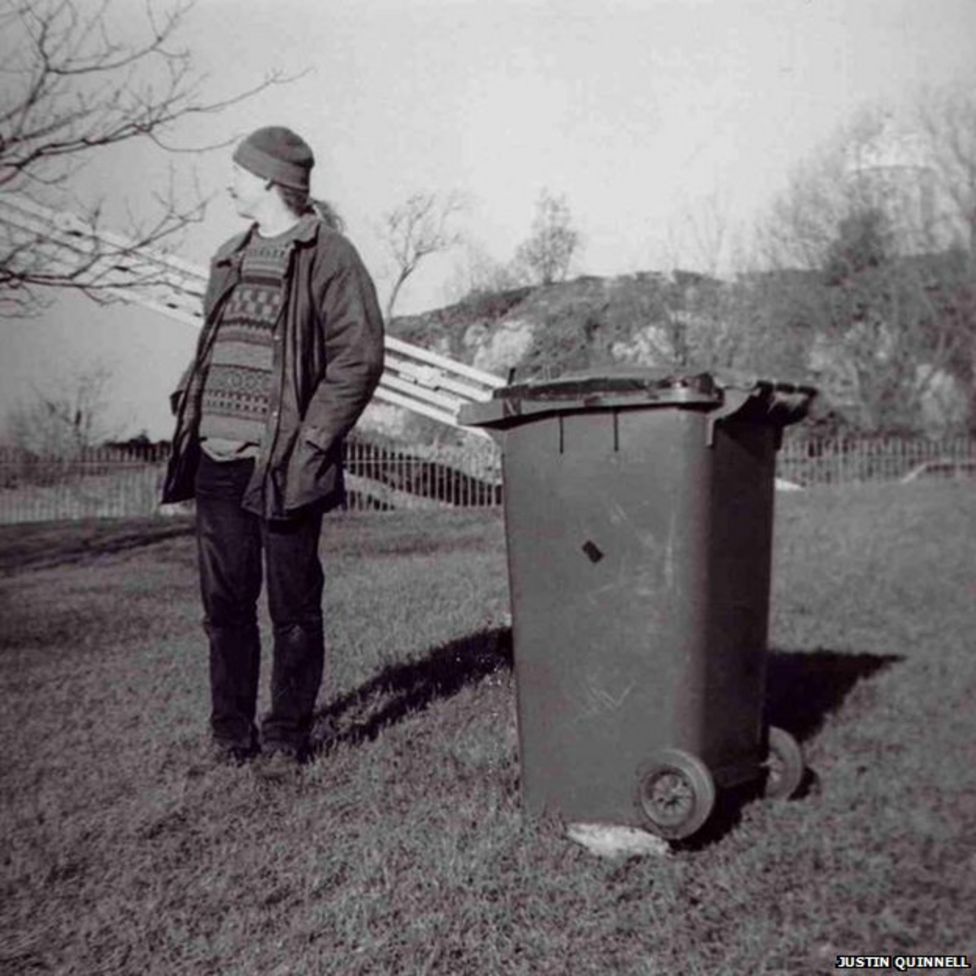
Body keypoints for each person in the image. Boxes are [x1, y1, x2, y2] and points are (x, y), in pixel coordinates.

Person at [162, 125, 385, 775]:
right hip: (216, 461)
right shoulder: (228, 256)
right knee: (225, 609)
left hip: (286, 463)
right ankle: (231, 735)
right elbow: (217, 341)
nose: (228, 180)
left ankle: (286, 735)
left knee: (292, 608)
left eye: (237, 171)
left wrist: (315, 439)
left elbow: (360, 357)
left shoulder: (329, 256)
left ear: (267, 180)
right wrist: (190, 398)